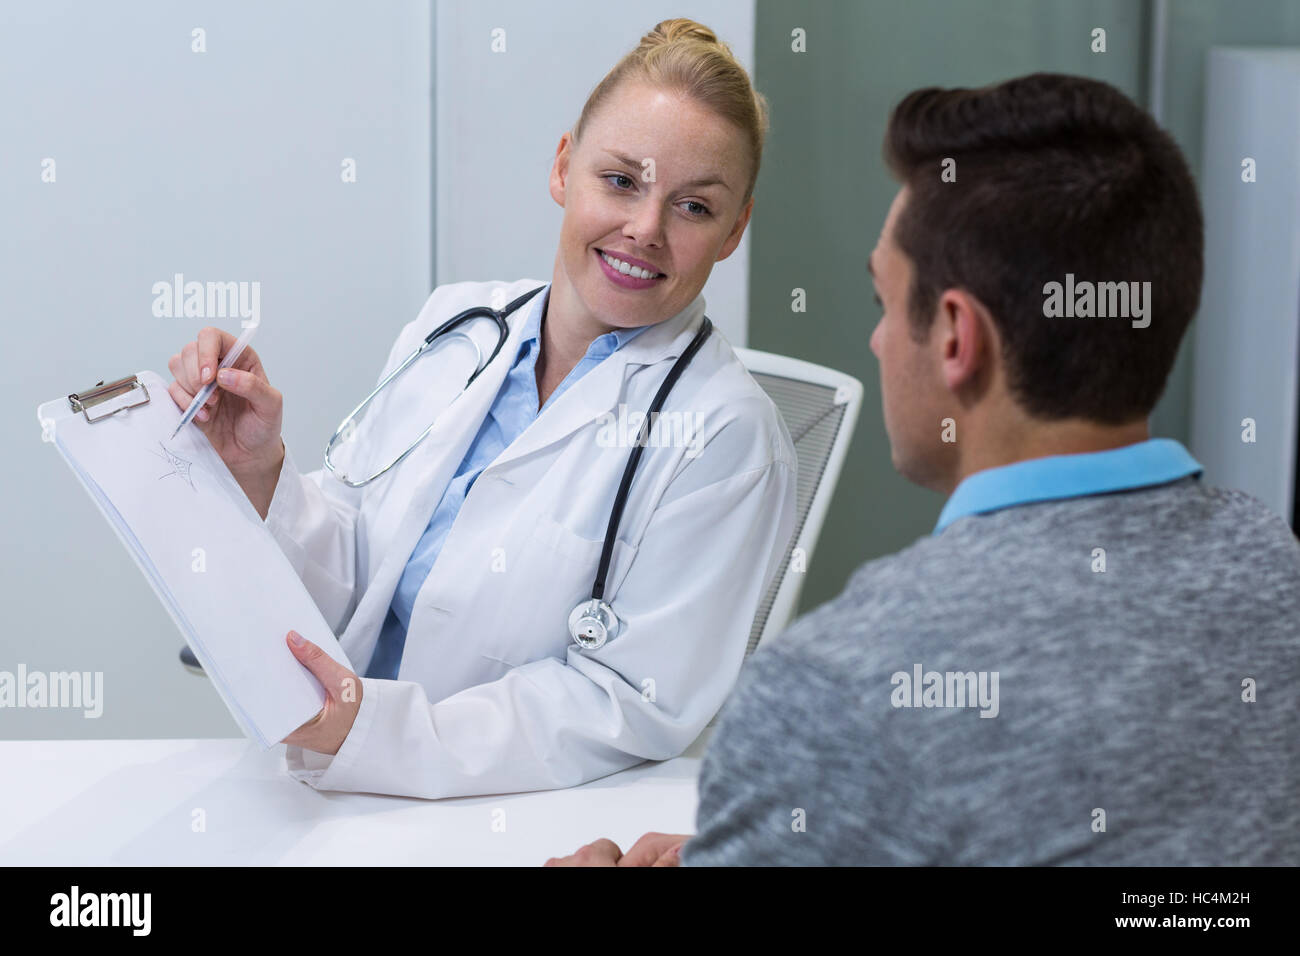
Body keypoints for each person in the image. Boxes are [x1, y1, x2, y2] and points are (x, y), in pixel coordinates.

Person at [547, 72, 1300, 866]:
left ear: (953, 338)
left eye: (884, 302)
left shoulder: (840, 686)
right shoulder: (1275, 566)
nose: (876, 343)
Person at [166, 19, 797, 800]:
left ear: (735, 229)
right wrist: (262, 473)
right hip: (320, 782)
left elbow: (623, 705)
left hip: (506, 816)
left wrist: (372, 730)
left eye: (694, 207)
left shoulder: (729, 437)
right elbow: (357, 564)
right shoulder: (456, 326)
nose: (646, 228)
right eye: (622, 181)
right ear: (565, 167)